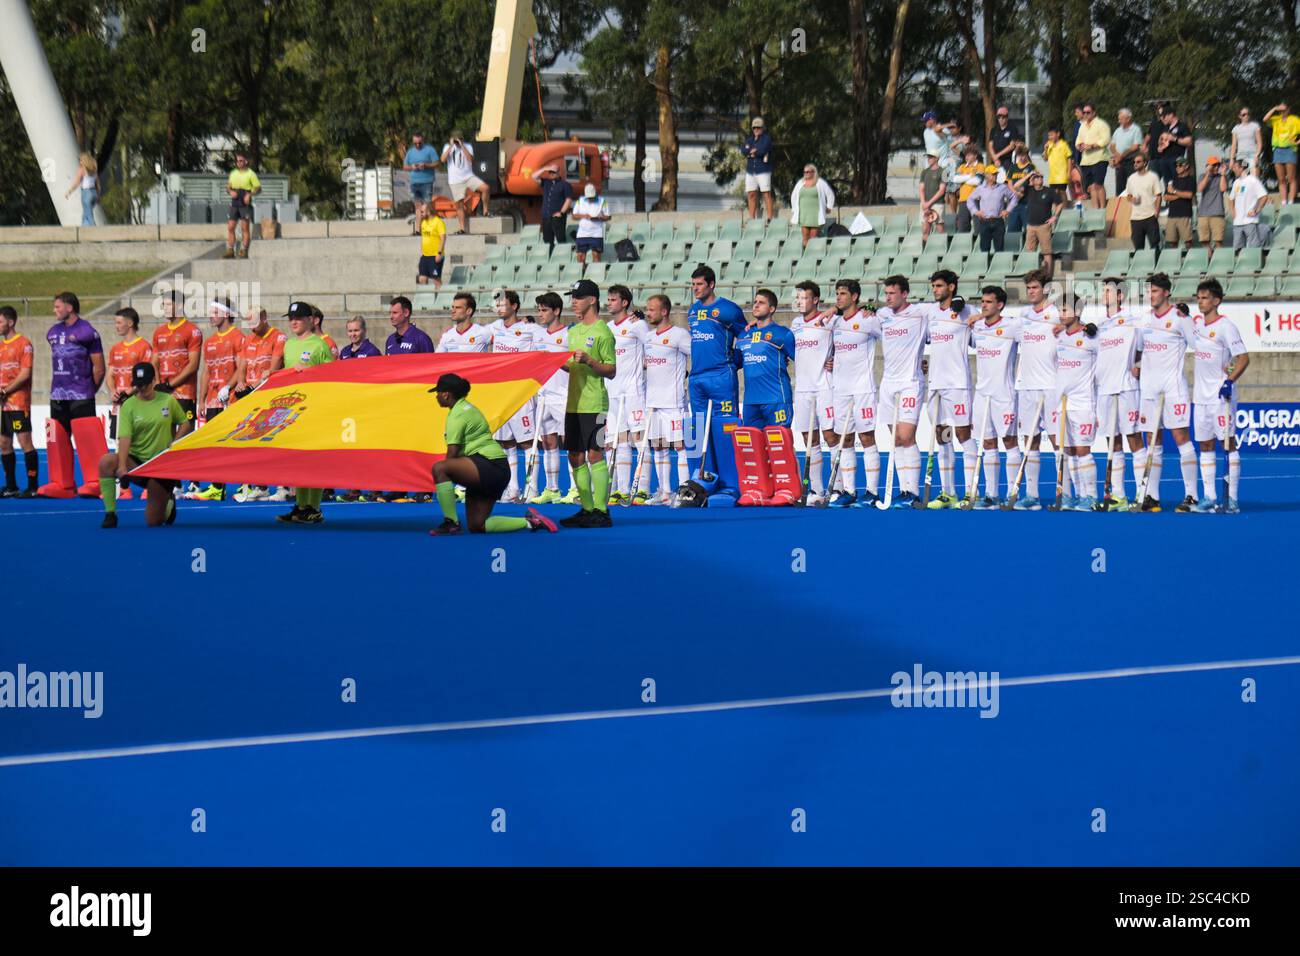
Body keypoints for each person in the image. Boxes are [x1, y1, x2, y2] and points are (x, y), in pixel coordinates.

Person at [427, 373, 556, 536]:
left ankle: (451, 522)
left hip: (488, 465)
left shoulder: (457, 415)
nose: (436, 396)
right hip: (494, 469)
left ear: (446, 394)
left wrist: (439, 481)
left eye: (438, 392)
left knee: (439, 468)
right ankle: (531, 522)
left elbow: (452, 456)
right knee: (477, 525)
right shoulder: (466, 407)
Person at [97, 362, 192, 528]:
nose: (141, 389)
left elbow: (185, 424)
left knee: (153, 521)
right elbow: (125, 437)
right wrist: (121, 467)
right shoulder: (129, 405)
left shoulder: (168, 401)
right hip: (137, 463)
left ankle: (168, 499)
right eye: (137, 385)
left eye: (144, 385)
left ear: (153, 381)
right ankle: (110, 514)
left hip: (160, 465)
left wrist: (174, 442)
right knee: (106, 462)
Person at [1133, 273, 1198, 513]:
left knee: (1182, 439)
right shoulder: (1143, 320)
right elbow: (1139, 351)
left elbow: (1199, 345)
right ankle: (1152, 497)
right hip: (1149, 390)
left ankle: (1192, 495)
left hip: (1174, 389)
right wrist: (1137, 366)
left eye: (1155, 291)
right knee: (1152, 442)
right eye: (1148, 291)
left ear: (1166, 292)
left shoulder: (1180, 318)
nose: (1151, 295)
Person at [559, 279, 617, 528]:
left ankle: (602, 511)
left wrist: (591, 362)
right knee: (574, 455)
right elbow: (571, 367)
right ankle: (586, 507)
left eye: (578, 297)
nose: (573, 301)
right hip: (573, 402)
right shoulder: (572, 332)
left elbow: (611, 370)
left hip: (595, 403)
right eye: (572, 296)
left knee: (595, 454)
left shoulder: (603, 332)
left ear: (592, 300)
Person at [1191, 279, 1249, 513]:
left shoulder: (1226, 326)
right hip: (1200, 396)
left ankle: (1232, 499)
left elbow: (1243, 358)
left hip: (1220, 397)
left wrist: (1229, 380)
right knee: (1205, 445)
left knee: (1228, 443)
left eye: (1204, 297)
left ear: (1216, 300)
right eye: (1198, 297)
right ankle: (1209, 497)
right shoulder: (1197, 325)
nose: (1200, 301)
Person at [685, 265, 747, 483]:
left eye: (699, 284)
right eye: (693, 284)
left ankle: (731, 481)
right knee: (699, 429)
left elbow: (747, 338)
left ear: (711, 284)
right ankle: (704, 478)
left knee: (725, 428)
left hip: (721, 375)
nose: (695, 288)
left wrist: (734, 362)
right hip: (697, 378)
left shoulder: (729, 309)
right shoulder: (692, 310)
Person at [40, 292, 105, 498]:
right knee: (57, 438)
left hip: (81, 395)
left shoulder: (87, 332)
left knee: (86, 438)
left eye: (58, 307)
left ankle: (96, 482)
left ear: (70, 307)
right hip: (57, 394)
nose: (54, 310)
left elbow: (99, 368)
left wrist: (88, 391)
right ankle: (62, 484)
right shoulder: (52, 332)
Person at [823, 279, 882, 507]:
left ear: (855, 296)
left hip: (863, 389)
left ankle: (872, 491)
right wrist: (832, 361)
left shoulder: (869, 320)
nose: (838, 297)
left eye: (843, 293)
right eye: (837, 293)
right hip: (841, 390)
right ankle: (849, 491)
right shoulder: (835, 322)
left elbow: (894, 338)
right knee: (844, 440)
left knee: (866, 438)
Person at [275, 301, 334, 524]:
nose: (294, 322)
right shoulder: (288, 345)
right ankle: (300, 505)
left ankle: (314, 507)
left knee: (314, 459)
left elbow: (332, 375)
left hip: (315, 407)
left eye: (298, 318)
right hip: (293, 409)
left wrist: (310, 371)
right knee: (297, 458)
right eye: (291, 318)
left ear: (311, 319)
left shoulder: (320, 345)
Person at [922, 271, 977, 508]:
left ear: (952, 287)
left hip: (958, 383)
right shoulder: (930, 312)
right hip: (935, 382)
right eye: (933, 285)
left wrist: (963, 303)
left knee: (963, 435)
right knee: (942, 435)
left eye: (939, 286)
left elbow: (983, 331)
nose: (935, 290)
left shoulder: (968, 311)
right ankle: (948, 493)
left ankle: (970, 492)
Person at [875, 276, 928, 507]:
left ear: (905, 294)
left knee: (907, 436)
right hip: (888, 383)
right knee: (896, 438)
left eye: (892, 293)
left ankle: (914, 492)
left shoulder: (921, 312)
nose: (887, 297)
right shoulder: (881, 316)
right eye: (886, 293)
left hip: (910, 382)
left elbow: (948, 309)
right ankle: (903, 490)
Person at [485, 289, 542, 502]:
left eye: (503, 304)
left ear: (515, 306)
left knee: (527, 442)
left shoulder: (529, 329)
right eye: (497, 304)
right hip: (501, 394)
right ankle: (513, 489)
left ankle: (532, 489)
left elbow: (548, 341)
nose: (499, 308)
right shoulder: (494, 328)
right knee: (506, 443)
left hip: (522, 394)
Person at [1010, 270, 1061, 510]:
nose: (1031, 291)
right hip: (1027, 387)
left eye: (1035, 287)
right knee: (1030, 441)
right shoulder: (1023, 316)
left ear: (1046, 289)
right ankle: (1032, 495)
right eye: (1028, 287)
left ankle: (1066, 493)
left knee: (1058, 441)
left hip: (1051, 386)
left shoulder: (1056, 314)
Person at [968, 286, 1022, 508]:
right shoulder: (977, 327)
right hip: (982, 394)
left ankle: (1012, 492)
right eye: (982, 301)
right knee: (987, 443)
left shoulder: (1012, 325)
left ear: (999, 305)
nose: (983, 305)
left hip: (1004, 394)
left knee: (1009, 441)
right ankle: (991, 494)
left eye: (989, 302)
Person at [1094, 278, 1144, 510]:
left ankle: (1144, 494)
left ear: (1120, 296)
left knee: (1134, 439)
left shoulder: (1134, 321)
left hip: (1126, 388)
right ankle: (1119, 496)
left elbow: (1149, 346)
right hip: (1104, 390)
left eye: (1109, 291)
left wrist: (1140, 363)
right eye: (1103, 291)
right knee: (1112, 442)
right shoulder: (1099, 326)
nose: (1105, 295)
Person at [230, 307, 288, 503]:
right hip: (252, 397)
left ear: (264, 317)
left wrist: (255, 385)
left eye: (255, 324)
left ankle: (282, 486)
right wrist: (240, 383)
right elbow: (242, 366)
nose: (252, 329)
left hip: (271, 396)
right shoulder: (248, 340)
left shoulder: (278, 337)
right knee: (254, 442)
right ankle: (260, 485)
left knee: (274, 441)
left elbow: (274, 366)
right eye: (249, 325)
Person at [191, 299, 245, 500]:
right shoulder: (211, 341)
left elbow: (242, 367)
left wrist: (227, 386)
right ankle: (216, 487)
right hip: (213, 400)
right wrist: (202, 399)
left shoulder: (238, 337)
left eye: (215, 311)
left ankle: (244, 484)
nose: (211, 315)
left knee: (235, 443)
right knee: (214, 445)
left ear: (226, 314)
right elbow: (206, 371)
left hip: (231, 399)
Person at [641, 294, 693, 504]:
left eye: (652, 309)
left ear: (664, 311)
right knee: (659, 446)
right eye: (647, 309)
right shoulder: (649, 337)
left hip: (674, 402)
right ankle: (664, 492)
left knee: (680, 446)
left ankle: (684, 491)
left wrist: (686, 377)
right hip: (652, 402)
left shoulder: (679, 335)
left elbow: (697, 357)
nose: (648, 313)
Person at [529, 291, 578, 504]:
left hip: (563, 395)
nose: (540, 314)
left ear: (556, 311)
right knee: (548, 443)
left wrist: (555, 361)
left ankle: (575, 489)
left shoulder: (570, 334)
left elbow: (576, 366)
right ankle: (552, 489)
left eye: (544, 310)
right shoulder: (537, 335)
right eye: (538, 310)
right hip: (543, 396)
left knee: (569, 442)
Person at [789, 281, 834, 504]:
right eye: (797, 297)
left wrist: (838, 360)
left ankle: (840, 489)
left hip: (825, 387)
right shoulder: (795, 323)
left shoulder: (830, 320)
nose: (798, 301)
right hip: (803, 389)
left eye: (803, 297)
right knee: (809, 440)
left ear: (815, 299)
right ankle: (817, 491)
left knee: (832, 437)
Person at [603, 285, 649, 505]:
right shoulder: (607, 327)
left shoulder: (637, 325)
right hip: (612, 393)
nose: (608, 302)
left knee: (639, 440)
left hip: (633, 392)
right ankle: (621, 490)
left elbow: (653, 346)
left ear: (624, 302)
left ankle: (642, 489)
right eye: (608, 299)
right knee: (618, 442)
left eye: (613, 299)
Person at [336, 315, 383, 502]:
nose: (353, 334)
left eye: (356, 330)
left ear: (364, 331)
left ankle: (375, 488)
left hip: (368, 408)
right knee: (351, 449)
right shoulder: (345, 352)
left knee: (370, 450)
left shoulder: (372, 351)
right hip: (349, 408)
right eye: (350, 331)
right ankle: (353, 489)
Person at [737, 289, 796, 431]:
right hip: (750, 402)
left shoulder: (783, 334)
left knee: (779, 448)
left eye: (761, 303)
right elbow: (736, 362)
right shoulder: (744, 334)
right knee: (754, 450)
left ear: (772, 309)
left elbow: (802, 359)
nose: (756, 305)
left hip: (776, 400)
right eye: (755, 302)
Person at [0, 307, 37, 497]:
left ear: (11, 322)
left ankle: (32, 486)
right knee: (4, 443)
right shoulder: (0, 346)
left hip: (18, 402)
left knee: (25, 442)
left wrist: (5, 390)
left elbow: (25, 374)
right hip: (2, 404)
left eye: (0, 321)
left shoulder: (24, 344)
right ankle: (11, 486)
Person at [151, 294, 202, 431]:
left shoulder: (192, 330)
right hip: (163, 392)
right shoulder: (158, 332)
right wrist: (157, 384)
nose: (165, 308)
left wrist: (170, 384)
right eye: (164, 305)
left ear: (179, 305)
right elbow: (154, 362)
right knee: (166, 432)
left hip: (185, 392)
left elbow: (193, 365)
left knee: (186, 431)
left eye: (168, 304)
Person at [106, 308, 152, 455]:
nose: (116, 326)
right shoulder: (115, 349)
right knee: (119, 441)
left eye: (119, 322)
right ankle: (121, 474)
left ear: (130, 323)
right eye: (115, 323)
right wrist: (113, 391)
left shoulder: (144, 346)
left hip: (137, 402)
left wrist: (129, 392)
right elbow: (110, 375)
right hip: (119, 404)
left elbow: (146, 377)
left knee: (138, 441)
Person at [441, 131, 489, 233]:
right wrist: (451, 146)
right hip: (455, 180)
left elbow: (471, 159)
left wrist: (462, 146)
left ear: (462, 139)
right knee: (459, 205)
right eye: (456, 140)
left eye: (459, 139)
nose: (457, 142)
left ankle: (485, 211)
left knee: (485, 188)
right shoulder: (447, 147)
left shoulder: (467, 146)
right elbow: (443, 159)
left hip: (468, 177)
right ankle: (462, 228)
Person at [1021, 170, 1064, 277]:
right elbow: (1016, 186)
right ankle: (1032, 276)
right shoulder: (1029, 190)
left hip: (1044, 226)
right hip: (1031, 226)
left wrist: (1055, 216)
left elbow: (1060, 203)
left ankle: (1048, 276)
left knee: (1047, 252)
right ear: (1033, 180)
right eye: (1036, 177)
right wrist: (1029, 175)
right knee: (1030, 252)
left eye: (1040, 177)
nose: (1039, 179)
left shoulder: (1049, 191)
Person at [966, 167, 1017, 252]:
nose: (995, 176)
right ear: (987, 175)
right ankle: (985, 265)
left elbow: (1014, 197)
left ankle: (999, 265)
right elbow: (970, 200)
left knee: (999, 249)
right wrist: (975, 211)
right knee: (984, 249)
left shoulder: (1002, 187)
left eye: (996, 174)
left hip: (998, 221)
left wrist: (1008, 210)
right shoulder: (980, 188)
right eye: (993, 174)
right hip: (984, 221)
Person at [222, 153, 261, 259]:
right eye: (237, 161)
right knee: (230, 227)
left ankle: (244, 250)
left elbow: (258, 188)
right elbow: (228, 187)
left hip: (245, 202)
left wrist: (250, 194)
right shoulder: (233, 173)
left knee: (245, 228)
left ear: (246, 161)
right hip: (235, 202)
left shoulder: (251, 174)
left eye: (241, 161)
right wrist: (230, 191)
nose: (239, 163)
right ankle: (230, 250)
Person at [532, 161, 575, 255]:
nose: (551, 174)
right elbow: (533, 176)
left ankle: (563, 258)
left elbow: (568, 200)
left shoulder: (565, 185)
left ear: (559, 173)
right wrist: (544, 169)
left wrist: (561, 212)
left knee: (560, 239)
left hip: (558, 217)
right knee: (547, 240)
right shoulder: (546, 182)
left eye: (553, 172)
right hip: (546, 216)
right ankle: (550, 258)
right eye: (550, 172)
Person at [1122, 153, 1162, 251]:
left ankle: (1156, 263)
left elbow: (1159, 195)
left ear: (1145, 163)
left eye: (1138, 162)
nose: (1135, 164)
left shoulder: (1152, 177)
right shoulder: (1131, 178)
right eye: (1134, 162)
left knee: (1154, 245)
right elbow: (1128, 196)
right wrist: (1133, 199)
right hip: (1135, 218)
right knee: (1138, 247)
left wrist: (1156, 212)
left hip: (1150, 216)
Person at [1074, 102, 1111, 209]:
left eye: (1088, 112)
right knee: (1090, 187)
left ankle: (1103, 208)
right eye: (1084, 112)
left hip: (1099, 159)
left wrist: (1091, 146)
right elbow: (1078, 141)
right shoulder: (1082, 126)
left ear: (1094, 113)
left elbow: (1106, 139)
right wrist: (1079, 146)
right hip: (1086, 160)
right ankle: (1096, 209)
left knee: (1098, 185)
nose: (1085, 114)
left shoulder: (1101, 124)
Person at [790, 164, 835, 247]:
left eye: (808, 172)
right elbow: (794, 196)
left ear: (813, 172)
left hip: (815, 215)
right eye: (804, 172)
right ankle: (806, 255)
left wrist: (829, 206)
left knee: (813, 238)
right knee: (805, 237)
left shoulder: (820, 182)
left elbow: (830, 194)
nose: (806, 174)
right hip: (803, 214)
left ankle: (812, 255)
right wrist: (794, 209)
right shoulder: (800, 183)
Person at [1228, 159, 1270, 248]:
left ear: (1242, 168)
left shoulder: (1252, 180)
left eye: (1235, 167)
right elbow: (1231, 198)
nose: (1233, 169)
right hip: (1237, 222)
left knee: (1253, 248)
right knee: (1237, 249)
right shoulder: (1236, 182)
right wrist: (1233, 212)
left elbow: (1264, 196)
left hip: (1250, 221)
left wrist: (1256, 210)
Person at [1263, 103, 1300, 204]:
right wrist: (1274, 108)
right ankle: (1284, 201)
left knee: (1291, 178)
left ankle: (1291, 201)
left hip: (1290, 149)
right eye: (1281, 110)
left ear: (1289, 109)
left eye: (1285, 109)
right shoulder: (1276, 119)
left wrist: (1298, 141)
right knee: (1281, 179)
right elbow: (1265, 120)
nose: (1283, 112)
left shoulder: (1295, 119)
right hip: (1278, 150)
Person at [742, 117, 775, 222]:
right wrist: (752, 151)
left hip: (763, 170)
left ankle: (770, 217)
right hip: (751, 170)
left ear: (762, 128)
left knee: (766, 193)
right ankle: (752, 217)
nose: (756, 129)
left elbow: (762, 150)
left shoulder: (767, 139)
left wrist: (752, 152)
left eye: (758, 127)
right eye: (754, 128)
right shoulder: (749, 140)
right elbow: (743, 150)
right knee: (751, 193)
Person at [571, 182, 610, 267]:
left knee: (596, 256)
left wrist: (600, 218)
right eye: (589, 198)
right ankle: (581, 275)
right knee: (580, 257)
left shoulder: (602, 201)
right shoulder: (580, 201)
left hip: (596, 234)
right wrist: (584, 215)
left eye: (592, 197)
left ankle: (595, 274)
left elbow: (608, 216)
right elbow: (574, 216)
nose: (590, 199)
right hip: (582, 233)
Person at [1152, 105, 1193, 186]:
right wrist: (1160, 147)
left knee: (1177, 183)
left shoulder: (1182, 126)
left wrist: (1175, 139)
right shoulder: (1166, 128)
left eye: (1164, 116)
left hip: (1176, 159)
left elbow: (1189, 141)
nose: (1163, 118)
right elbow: (1162, 141)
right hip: (1164, 159)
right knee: (1168, 184)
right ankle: (1169, 197)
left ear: (1171, 115)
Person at [1162, 156, 1196, 249]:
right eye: (1176, 165)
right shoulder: (1172, 180)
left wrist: (1174, 192)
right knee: (1172, 242)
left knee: (1188, 241)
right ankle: (1175, 260)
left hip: (1184, 215)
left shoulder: (1191, 180)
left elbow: (1189, 195)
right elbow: (1166, 197)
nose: (1177, 167)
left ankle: (1189, 260)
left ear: (1186, 166)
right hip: (1172, 215)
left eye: (1180, 165)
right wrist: (1180, 195)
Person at [1109, 108, 1144, 197]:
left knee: (1133, 184)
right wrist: (1117, 156)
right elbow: (1112, 145)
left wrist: (1122, 155)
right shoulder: (1118, 130)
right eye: (1119, 118)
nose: (1119, 121)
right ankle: (1120, 205)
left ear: (1128, 119)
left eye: (1121, 118)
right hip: (1120, 162)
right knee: (1120, 186)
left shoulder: (1136, 129)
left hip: (1131, 161)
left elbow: (1135, 146)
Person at [1196, 157, 1228, 252]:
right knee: (1204, 241)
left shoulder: (1221, 177)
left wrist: (1223, 175)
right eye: (1214, 165)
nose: (1216, 167)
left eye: (1218, 165)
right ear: (1208, 166)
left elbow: (1223, 189)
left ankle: (1219, 261)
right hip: (1203, 214)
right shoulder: (1202, 176)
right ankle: (1209, 260)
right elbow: (1200, 189)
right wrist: (1208, 174)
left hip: (1217, 214)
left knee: (1218, 241)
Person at [403, 132, 441, 211]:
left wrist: (426, 165)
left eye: (419, 143)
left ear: (423, 140)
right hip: (414, 183)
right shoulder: (410, 152)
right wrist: (412, 167)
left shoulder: (430, 150)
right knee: (417, 207)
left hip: (427, 182)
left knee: (427, 205)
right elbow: (405, 167)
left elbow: (437, 163)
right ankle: (418, 223)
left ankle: (428, 222)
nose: (417, 145)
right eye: (415, 143)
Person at [952, 146, 986, 233]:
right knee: (963, 228)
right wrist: (970, 176)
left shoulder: (980, 166)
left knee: (978, 227)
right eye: (966, 155)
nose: (966, 157)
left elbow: (977, 181)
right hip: (963, 200)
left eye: (969, 155)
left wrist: (963, 178)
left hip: (976, 200)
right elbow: (955, 179)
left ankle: (978, 246)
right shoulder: (962, 166)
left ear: (975, 156)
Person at [415, 199, 446, 288]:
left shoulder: (438, 222)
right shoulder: (423, 222)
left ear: (428, 211)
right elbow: (420, 232)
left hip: (435, 255)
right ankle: (426, 299)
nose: (420, 213)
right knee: (422, 279)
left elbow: (443, 238)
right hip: (425, 256)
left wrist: (439, 253)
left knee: (436, 279)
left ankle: (440, 299)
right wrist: (419, 219)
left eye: (422, 212)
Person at [1003, 147, 1035, 233]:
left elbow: (1032, 183)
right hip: (1014, 202)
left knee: (1028, 229)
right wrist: (1015, 192)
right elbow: (1009, 183)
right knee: (1012, 229)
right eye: (1020, 155)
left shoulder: (1031, 167)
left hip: (1026, 202)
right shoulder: (1013, 167)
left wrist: (1022, 191)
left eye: (1024, 155)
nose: (1022, 158)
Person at [64, 152, 99, 226]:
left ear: (84, 161)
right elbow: (98, 185)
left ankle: (95, 229)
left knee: (89, 216)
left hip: (86, 193)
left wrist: (69, 191)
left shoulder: (82, 170)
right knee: (85, 215)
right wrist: (98, 195)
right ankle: (84, 232)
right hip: (94, 194)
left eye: (80, 160)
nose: (79, 162)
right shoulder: (94, 170)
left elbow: (77, 183)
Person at [987, 105, 1023, 175]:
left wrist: (998, 155)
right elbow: (990, 145)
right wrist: (995, 158)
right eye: (999, 117)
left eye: (1003, 117)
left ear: (1007, 117)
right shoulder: (994, 130)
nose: (1001, 119)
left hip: (1007, 160)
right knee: (990, 176)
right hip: (994, 160)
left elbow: (1012, 146)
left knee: (1006, 179)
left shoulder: (1012, 129)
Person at [918, 151, 946, 240]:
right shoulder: (924, 172)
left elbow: (942, 190)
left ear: (937, 158)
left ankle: (943, 249)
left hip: (937, 203)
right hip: (925, 204)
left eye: (931, 157)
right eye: (928, 157)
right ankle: (925, 250)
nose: (929, 159)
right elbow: (921, 188)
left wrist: (929, 203)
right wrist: (924, 203)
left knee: (939, 228)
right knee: (925, 229)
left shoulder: (944, 172)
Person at [1043, 125, 1073, 201]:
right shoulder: (1049, 144)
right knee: (1054, 193)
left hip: (1062, 174)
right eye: (1049, 135)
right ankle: (1056, 210)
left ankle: (1064, 209)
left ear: (1058, 134)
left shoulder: (1063, 144)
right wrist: (1046, 149)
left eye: (1052, 135)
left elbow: (1069, 158)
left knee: (1062, 192)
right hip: (1053, 175)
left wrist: (1069, 172)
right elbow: (1045, 158)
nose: (1050, 137)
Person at [1230, 108, 1262, 176]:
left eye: (1248, 114)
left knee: (1254, 178)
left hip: (1252, 155)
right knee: (1243, 178)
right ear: (1240, 116)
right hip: (1241, 156)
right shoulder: (1236, 128)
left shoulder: (1255, 126)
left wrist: (1257, 155)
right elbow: (1234, 145)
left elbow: (1259, 142)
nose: (1246, 116)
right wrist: (1232, 159)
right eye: (1244, 114)